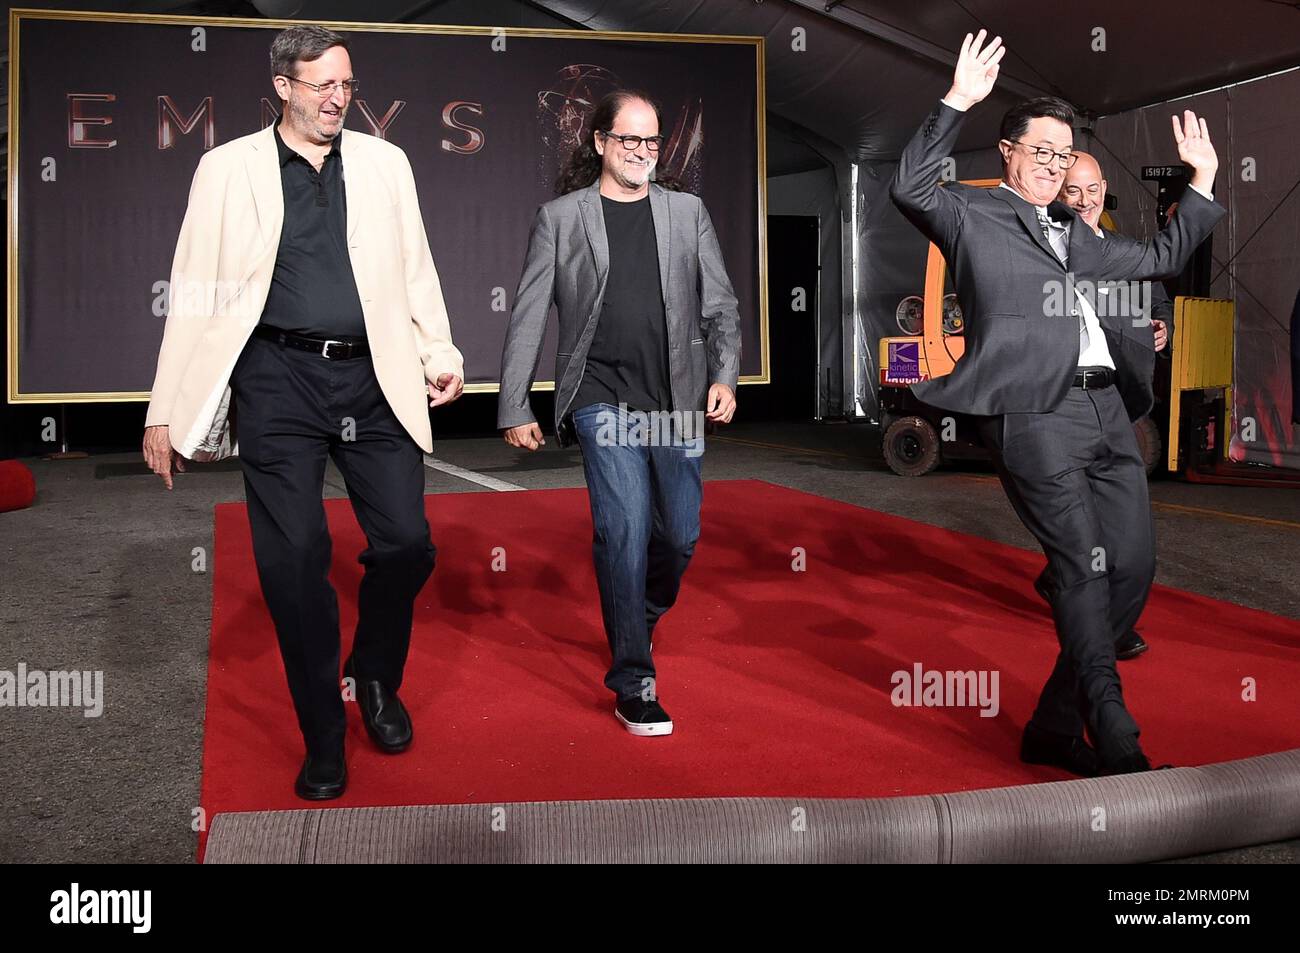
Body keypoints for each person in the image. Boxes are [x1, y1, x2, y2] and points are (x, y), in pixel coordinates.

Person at [142, 25, 464, 799]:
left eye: (346, 85)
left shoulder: (386, 164)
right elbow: (192, 289)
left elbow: (417, 269)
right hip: (276, 380)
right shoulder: (227, 169)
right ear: (283, 86)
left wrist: (440, 351)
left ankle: (375, 678)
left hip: (374, 377)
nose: (337, 99)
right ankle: (325, 733)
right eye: (321, 85)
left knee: (408, 545)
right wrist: (163, 408)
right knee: (292, 565)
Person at [890, 31, 1224, 775]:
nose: (1052, 166)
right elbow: (908, 187)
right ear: (1006, 152)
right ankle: (1114, 730)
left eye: (1062, 156)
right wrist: (956, 102)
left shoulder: (1081, 235)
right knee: (1080, 566)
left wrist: (1199, 182)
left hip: (1111, 412)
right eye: (1039, 152)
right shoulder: (970, 215)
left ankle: (1051, 723)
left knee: (1131, 569)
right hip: (1034, 414)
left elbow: (1166, 258)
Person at [497, 90, 741, 737]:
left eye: (651, 141)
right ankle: (634, 678)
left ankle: (641, 613)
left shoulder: (687, 212)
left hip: (675, 402)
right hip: (599, 397)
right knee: (624, 529)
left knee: (678, 537)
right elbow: (529, 312)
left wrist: (724, 374)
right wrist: (514, 401)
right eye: (628, 139)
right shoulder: (561, 218)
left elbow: (720, 304)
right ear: (601, 143)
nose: (640, 151)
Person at [1036, 150, 1181, 660]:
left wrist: (1162, 325)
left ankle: (1095, 607)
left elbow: (1156, 293)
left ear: (1105, 188)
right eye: (1072, 192)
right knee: (1082, 527)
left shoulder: (1119, 246)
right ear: (1056, 194)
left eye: (1092, 189)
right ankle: (1101, 631)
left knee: (1129, 541)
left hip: (1115, 400)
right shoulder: (1042, 248)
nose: (1084, 201)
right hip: (1052, 405)